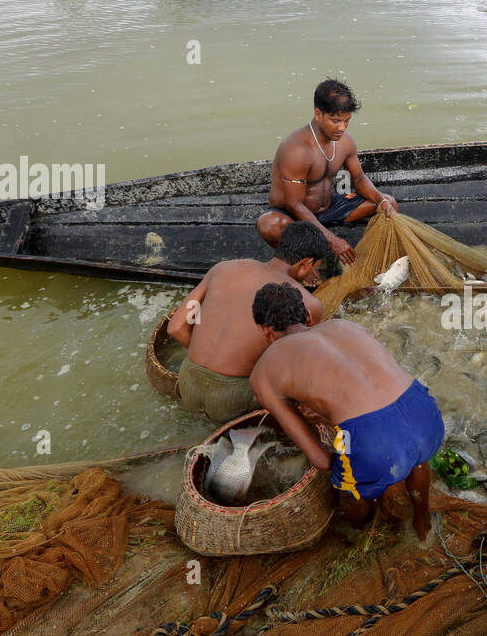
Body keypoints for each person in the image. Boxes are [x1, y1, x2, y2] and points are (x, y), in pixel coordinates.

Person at [249, 283, 444, 540]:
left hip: (376, 442)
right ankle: (422, 523)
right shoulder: (346, 326)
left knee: (347, 488)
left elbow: (319, 459)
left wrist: (347, 457)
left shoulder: (262, 373)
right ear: (307, 316)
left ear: (264, 330)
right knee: (417, 457)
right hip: (425, 414)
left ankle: (360, 534)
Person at [168, 222, 329, 423]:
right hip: (234, 398)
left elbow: (176, 327)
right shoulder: (308, 302)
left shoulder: (223, 268)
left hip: (188, 383)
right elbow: (298, 364)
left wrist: (211, 362)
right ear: (306, 263)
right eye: (315, 268)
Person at [255, 78, 398, 268]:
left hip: (328, 208)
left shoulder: (345, 142)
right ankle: (298, 261)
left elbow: (359, 179)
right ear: (318, 114)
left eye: (346, 121)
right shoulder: (297, 149)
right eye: (335, 121)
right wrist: (332, 239)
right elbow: (294, 204)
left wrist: (381, 200)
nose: (342, 128)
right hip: (294, 216)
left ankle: (377, 261)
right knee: (269, 225)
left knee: (388, 203)